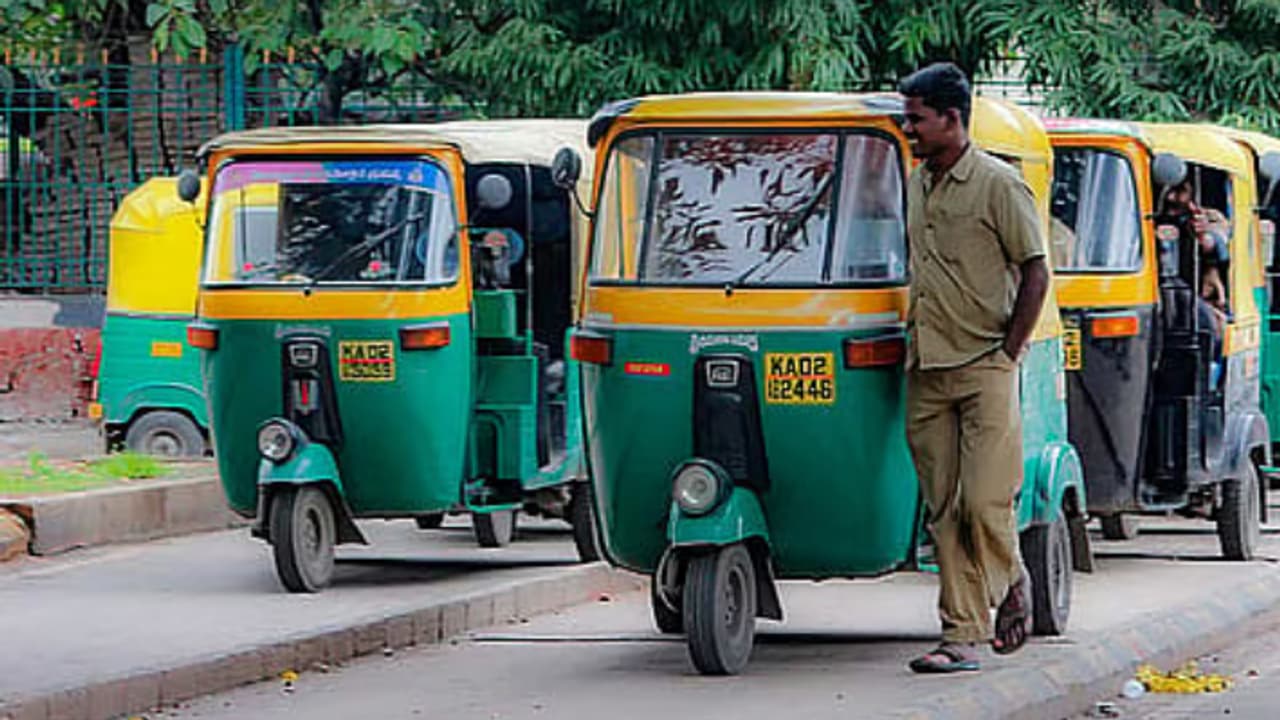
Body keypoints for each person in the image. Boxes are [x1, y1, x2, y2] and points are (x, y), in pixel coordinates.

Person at [897, 63, 1051, 674]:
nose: (909, 128)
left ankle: (1012, 579)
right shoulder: (916, 182)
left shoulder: (996, 184)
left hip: (986, 363)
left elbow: (1036, 270)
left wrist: (1009, 351)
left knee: (985, 502)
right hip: (926, 367)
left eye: (917, 119)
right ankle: (960, 635)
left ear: (951, 119)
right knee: (944, 510)